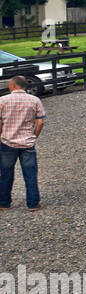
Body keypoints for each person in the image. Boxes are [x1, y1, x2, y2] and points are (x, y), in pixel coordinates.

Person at [0, 75, 46, 211]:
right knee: (30, 174)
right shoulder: (34, 100)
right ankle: (33, 203)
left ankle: (4, 203)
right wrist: (34, 135)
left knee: (5, 174)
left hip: (7, 141)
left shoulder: (2, 100)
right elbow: (40, 121)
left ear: (14, 85)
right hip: (27, 142)